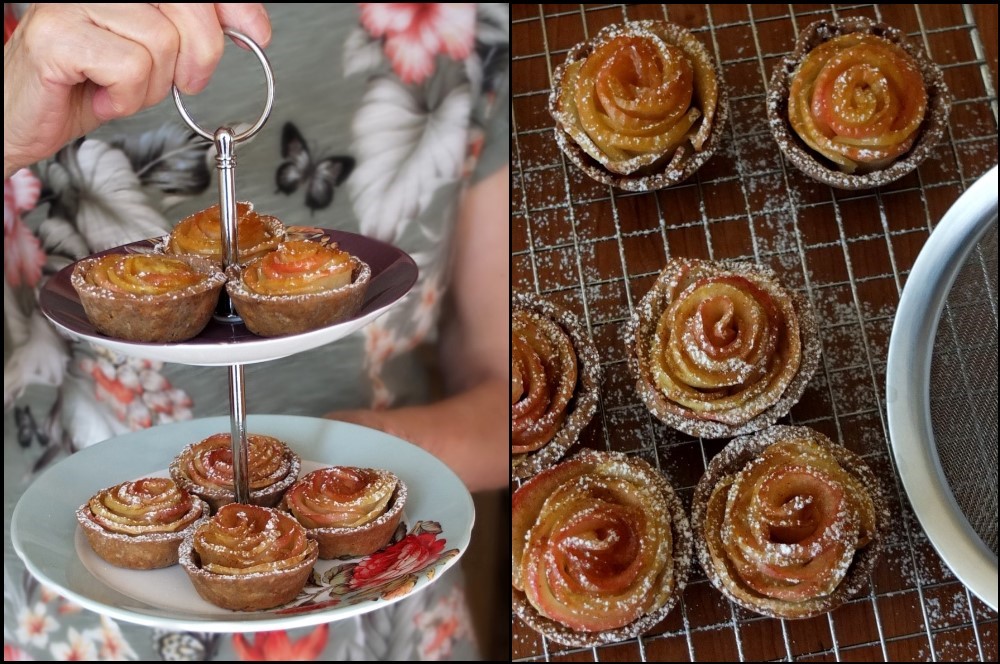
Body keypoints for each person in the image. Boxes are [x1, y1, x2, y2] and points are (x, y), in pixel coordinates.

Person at [4, 3, 508, 660]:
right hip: (66, 622)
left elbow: (508, 385)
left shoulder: (469, 21)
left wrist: (351, 475)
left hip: (382, 623)